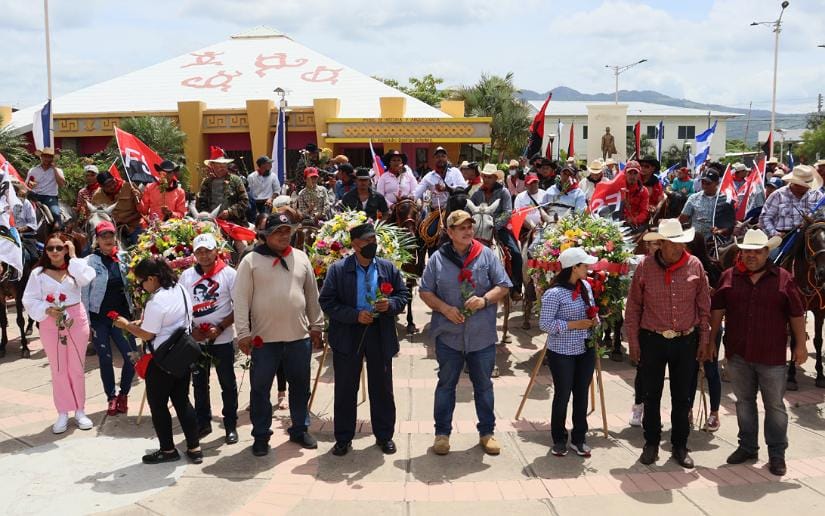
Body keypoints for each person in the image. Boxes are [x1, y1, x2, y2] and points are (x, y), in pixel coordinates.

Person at [709, 229, 806, 476]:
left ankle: (777, 453)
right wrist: (711, 341)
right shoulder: (729, 276)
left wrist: (801, 345)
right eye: (747, 251)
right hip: (738, 353)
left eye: (758, 251)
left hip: (771, 354)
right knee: (744, 403)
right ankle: (748, 447)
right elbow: (717, 311)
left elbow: (796, 314)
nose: (752, 256)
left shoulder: (783, 278)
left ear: (767, 252)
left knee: (774, 405)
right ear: (740, 252)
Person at [419, 210, 511, 456]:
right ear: (450, 232)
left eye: (470, 226)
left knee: (483, 386)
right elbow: (425, 290)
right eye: (461, 228)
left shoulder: (487, 255)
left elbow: (503, 285)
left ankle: (487, 433)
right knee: (446, 385)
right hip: (449, 335)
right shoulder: (438, 259)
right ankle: (441, 434)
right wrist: (444, 308)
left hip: (481, 336)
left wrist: (484, 300)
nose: (468, 231)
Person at [233, 212, 324, 457]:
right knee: (260, 390)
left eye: (287, 230)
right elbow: (240, 300)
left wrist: (317, 326)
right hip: (264, 339)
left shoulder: (301, 257)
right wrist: (242, 333)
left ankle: (299, 428)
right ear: (265, 235)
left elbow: (312, 297)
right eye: (278, 231)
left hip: (298, 337)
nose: (285, 235)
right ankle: (261, 435)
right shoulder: (250, 261)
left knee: (300, 386)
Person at [624, 219, 711, 469]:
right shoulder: (644, 267)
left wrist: (704, 340)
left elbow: (704, 307)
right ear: (661, 243)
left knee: (683, 397)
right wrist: (633, 341)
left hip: (686, 341)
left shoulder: (695, 265)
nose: (677, 249)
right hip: (652, 339)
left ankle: (680, 445)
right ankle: (651, 442)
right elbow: (634, 306)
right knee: (651, 395)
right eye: (672, 244)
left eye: (680, 244)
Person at [318, 223, 410, 456]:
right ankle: (343, 438)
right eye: (367, 241)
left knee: (382, 388)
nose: (372, 245)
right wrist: (354, 315)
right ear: (355, 244)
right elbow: (327, 301)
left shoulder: (387, 268)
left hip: (379, 332)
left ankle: (384, 436)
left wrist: (390, 305)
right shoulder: (339, 270)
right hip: (349, 332)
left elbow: (403, 294)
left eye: (374, 240)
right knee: (346, 387)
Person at [112, 257, 203, 464]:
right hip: (182, 355)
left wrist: (126, 325)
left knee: (159, 406)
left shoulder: (156, 300)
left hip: (162, 360)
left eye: (142, 281)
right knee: (182, 401)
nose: (142, 286)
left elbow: (147, 335)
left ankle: (168, 450)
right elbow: (171, 320)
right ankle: (194, 448)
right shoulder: (180, 289)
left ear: (153, 278)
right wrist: (141, 323)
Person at [22, 233, 95, 433]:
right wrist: (46, 309)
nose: (54, 252)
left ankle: (80, 410)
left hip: (76, 321)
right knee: (59, 368)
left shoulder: (74, 270)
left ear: (66, 248)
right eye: (50, 248)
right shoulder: (38, 274)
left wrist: (73, 256)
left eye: (59, 247)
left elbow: (87, 278)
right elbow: (29, 299)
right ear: (45, 251)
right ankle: (63, 411)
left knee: (77, 368)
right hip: (50, 322)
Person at [179, 233, 239, 445]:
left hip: (221, 340)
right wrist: (191, 330)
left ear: (216, 251)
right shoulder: (186, 276)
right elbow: (182, 307)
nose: (204, 255)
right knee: (199, 383)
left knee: (227, 383)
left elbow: (238, 306)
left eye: (208, 250)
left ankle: (231, 424)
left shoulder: (229, 274)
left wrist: (221, 326)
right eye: (199, 252)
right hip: (197, 340)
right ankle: (203, 422)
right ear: (194, 254)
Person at [539, 247, 599, 457]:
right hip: (562, 351)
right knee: (563, 394)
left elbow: (591, 310)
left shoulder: (586, 287)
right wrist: (573, 325)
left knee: (581, 394)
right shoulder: (554, 293)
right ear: (574, 267)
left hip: (585, 348)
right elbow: (545, 324)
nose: (588, 268)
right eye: (584, 265)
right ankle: (559, 438)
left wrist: (595, 321)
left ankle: (579, 437)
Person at [81, 221, 136, 417]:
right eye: (103, 236)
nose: (108, 239)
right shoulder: (89, 262)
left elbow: (135, 283)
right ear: (97, 239)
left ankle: (124, 394)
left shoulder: (124, 258)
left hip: (121, 317)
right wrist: (86, 322)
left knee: (132, 357)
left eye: (110, 235)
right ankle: (111, 397)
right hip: (99, 318)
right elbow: (84, 293)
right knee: (105, 358)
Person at [471, 164, 523, 298]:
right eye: (485, 177)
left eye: (490, 177)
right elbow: (469, 210)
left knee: (516, 254)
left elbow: (507, 212)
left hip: (499, 229)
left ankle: (516, 288)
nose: (487, 180)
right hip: (479, 230)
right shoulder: (477, 194)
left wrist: (494, 224)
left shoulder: (503, 192)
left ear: (495, 178)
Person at [760, 165, 824, 240]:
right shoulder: (778, 195)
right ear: (795, 183)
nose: (806, 187)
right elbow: (764, 218)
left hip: (811, 237)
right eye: (802, 185)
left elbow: (822, 217)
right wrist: (775, 234)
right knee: (775, 252)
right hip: (783, 238)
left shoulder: (817, 195)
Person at [678, 170, 735, 246]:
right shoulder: (693, 198)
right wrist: (668, 223)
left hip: (716, 243)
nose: (704, 186)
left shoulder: (725, 200)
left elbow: (730, 225)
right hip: (695, 241)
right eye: (702, 183)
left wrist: (720, 231)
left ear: (717, 183)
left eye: (708, 183)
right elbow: (682, 218)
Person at [91, 171, 143, 246]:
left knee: (141, 246)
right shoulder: (97, 197)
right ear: (101, 186)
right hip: (112, 230)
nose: (112, 186)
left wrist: (124, 220)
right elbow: (96, 218)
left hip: (135, 225)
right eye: (108, 186)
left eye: (113, 182)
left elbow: (142, 211)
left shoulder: (129, 187)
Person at [196, 156, 250, 226]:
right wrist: (206, 216)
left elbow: (244, 201)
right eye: (218, 166)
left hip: (233, 222)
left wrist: (230, 212)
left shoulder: (236, 180)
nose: (222, 168)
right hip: (211, 222)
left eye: (224, 166)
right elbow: (201, 202)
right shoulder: (207, 182)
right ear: (212, 166)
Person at [26, 148, 65, 226]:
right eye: (45, 156)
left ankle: (59, 230)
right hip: (34, 196)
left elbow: (62, 184)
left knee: (56, 213)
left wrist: (54, 169)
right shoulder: (33, 170)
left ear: (52, 159)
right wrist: (30, 185)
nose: (47, 159)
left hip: (50, 197)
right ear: (41, 157)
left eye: (49, 157)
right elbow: (26, 185)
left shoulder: (58, 170)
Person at [621, 161, 650, 229]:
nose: (632, 176)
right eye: (630, 173)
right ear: (625, 173)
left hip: (635, 225)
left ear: (639, 174)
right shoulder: (619, 188)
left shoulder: (644, 191)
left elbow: (644, 212)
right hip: (618, 222)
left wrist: (634, 220)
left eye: (635, 173)